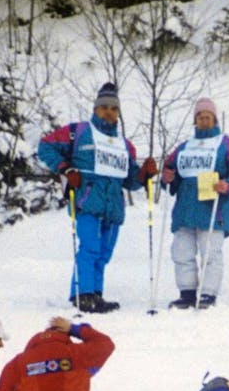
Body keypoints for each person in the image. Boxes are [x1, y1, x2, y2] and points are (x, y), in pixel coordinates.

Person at [37, 82, 158, 313]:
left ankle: (95, 294)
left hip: (113, 206)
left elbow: (129, 180)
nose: (108, 112)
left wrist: (144, 174)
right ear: (95, 109)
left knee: (104, 253)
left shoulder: (125, 145)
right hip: (87, 201)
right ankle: (82, 294)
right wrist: (66, 169)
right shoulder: (78, 132)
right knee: (90, 248)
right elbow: (45, 147)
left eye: (113, 108)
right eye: (104, 107)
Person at [161, 97, 229, 309]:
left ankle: (208, 293)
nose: (204, 120)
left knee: (210, 253)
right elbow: (169, 170)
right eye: (200, 117)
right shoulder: (185, 147)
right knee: (182, 253)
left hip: (213, 210)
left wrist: (228, 185)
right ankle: (187, 292)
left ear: (215, 119)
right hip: (185, 211)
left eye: (207, 116)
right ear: (195, 120)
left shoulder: (226, 144)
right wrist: (167, 178)